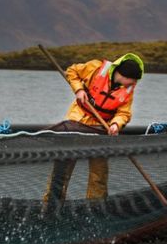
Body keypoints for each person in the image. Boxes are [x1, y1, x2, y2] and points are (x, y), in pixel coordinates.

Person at [43, 53, 145, 209]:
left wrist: (116, 124)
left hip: (101, 130)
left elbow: (123, 113)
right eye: (132, 79)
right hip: (76, 123)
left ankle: (95, 209)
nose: (134, 83)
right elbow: (72, 71)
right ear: (122, 75)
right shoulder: (97, 67)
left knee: (99, 173)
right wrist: (79, 90)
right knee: (62, 169)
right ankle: (50, 208)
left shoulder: (128, 89)